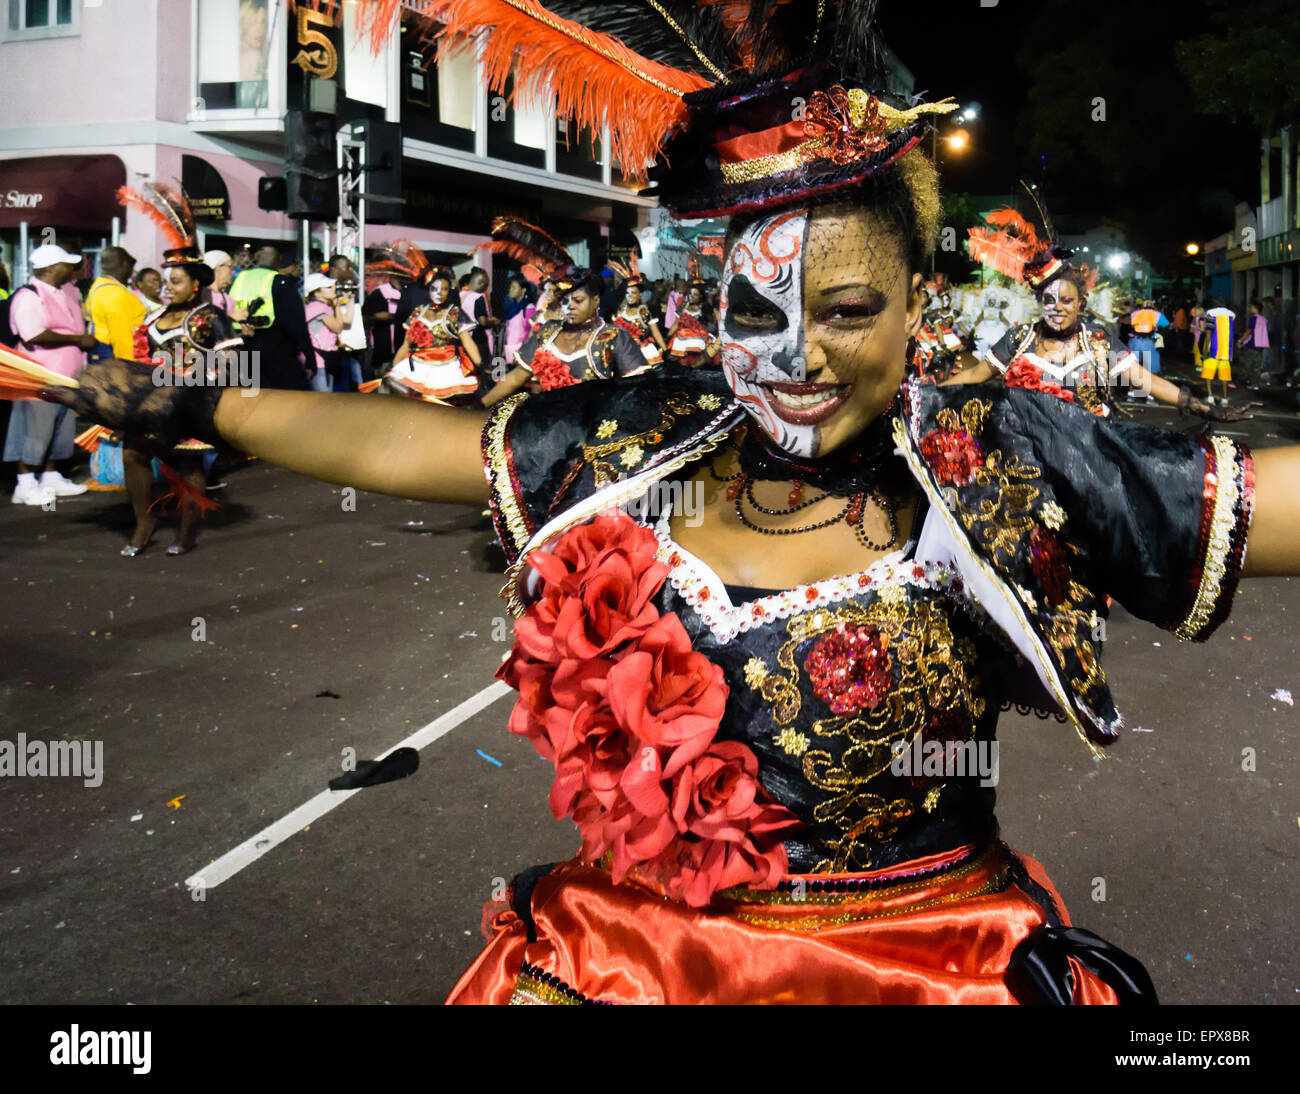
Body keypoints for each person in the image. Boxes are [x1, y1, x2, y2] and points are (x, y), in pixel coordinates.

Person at [44, 0, 1300, 1007]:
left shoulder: (1002, 455)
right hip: (632, 963)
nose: (795, 354)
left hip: (922, 967)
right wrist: (195, 408)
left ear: (921, 306)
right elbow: (414, 444)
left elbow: (1264, 501)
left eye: (848, 311)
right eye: (754, 312)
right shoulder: (643, 431)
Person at [952, 215, 1238, 420]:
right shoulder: (1019, 339)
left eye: (1066, 300)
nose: (1057, 308)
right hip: (1025, 460)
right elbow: (976, 374)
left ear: (1080, 304)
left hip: (1090, 460)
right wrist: (925, 390)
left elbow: (1143, 379)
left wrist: (1197, 405)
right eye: (1049, 300)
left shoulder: (1098, 341)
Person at [4, 243, 96, 504]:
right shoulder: (29, 296)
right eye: (68, 264)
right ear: (53, 268)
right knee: (34, 429)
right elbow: (33, 334)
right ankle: (25, 483)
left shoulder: (67, 292)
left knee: (60, 428)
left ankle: (51, 475)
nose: (73, 268)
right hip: (39, 376)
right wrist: (79, 340)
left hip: (66, 377)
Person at [483, 266, 648, 405]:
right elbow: (517, 376)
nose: (570, 307)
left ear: (596, 301)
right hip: (548, 424)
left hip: (592, 431)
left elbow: (639, 389)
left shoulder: (613, 336)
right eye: (566, 301)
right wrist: (480, 405)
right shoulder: (549, 332)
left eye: (578, 300)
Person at [374, 266, 483, 404]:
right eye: (435, 288)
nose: (439, 293)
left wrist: (480, 364)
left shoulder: (455, 313)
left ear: (449, 292)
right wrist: (394, 366)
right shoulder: (418, 313)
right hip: (418, 366)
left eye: (444, 289)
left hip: (447, 368)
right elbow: (406, 344)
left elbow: (467, 341)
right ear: (428, 290)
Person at [229, 244, 315, 390]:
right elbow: (296, 324)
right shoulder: (279, 281)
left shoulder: (239, 278)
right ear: (279, 260)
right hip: (277, 353)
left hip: (243, 348)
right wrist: (309, 359)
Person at [86, 246, 145, 362]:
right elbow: (122, 338)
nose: (131, 273)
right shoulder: (116, 294)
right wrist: (130, 367)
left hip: (101, 354)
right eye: (131, 269)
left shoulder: (98, 286)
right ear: (124, 265)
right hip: (114, 358)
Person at [606, 258, 667, 368]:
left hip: (642, 352)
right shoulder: (619, 311)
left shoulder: (643, 311)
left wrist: (666, 351)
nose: (630, 296)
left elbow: (656, 332)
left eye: (633, 293)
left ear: (640, 294)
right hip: (622, 352)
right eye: (627, 293)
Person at [302, 272, 351, 393]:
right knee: (322, 399)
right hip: (318, 361)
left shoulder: (320, 306)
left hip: (323, 360)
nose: (333, 289)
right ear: (316, 292)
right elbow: (338, 327)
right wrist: (337, 306)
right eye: (328, 287)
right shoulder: (317, 308)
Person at [664, 278, 720, 366]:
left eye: (695, 295)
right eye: (690, 294)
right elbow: (676, 324)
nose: (692, 297)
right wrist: (667, 337)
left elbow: (710, 326)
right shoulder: (682, 306)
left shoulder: (705, 307)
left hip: (701, 339)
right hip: (683, 338)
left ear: (701, 296)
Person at [1202, 301, 1235, 405]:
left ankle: (1210, 397)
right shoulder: (1231, 315)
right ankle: (1224, 399)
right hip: (1226, 350)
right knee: (1224, 376)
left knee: (1208, 374)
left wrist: (1206, 350)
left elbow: (1208, 333)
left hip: (1212, 349)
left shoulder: (1211, 313)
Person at [500, 273, 537, 364]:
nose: (510, 290)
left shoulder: (529, 308)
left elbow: (532, 331)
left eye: (514, 287)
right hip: (510, 350)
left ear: (523, 290)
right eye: (510, 287)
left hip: (521, 352)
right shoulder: (511, 307)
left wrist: (524, 351)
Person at [203, 250, 237, 316]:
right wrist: (232, 318)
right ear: (218, 267)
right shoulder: (202, 295)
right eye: (230, 267)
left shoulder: (226, 297)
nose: (233, 272)